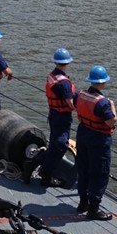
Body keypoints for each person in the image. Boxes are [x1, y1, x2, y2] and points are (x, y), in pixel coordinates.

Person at [75, 65, 116, 220]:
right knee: (99, 173)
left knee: (83, 168)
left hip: (83, 133)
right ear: (103, 82)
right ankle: (94, 209)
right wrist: (113, 107)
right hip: (98, 138)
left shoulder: (79, 94)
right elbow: (111, 122)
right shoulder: (103, 102)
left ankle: (82, 202)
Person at [37, 48, 77, 188]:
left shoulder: (52, 76)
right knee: (60, 146)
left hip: (53, 113)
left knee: (54, 143)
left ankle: (39, 163)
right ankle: (47, 176)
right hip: (62, 117)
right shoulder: (64, 83)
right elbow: (70, 105)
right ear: (67, 63)